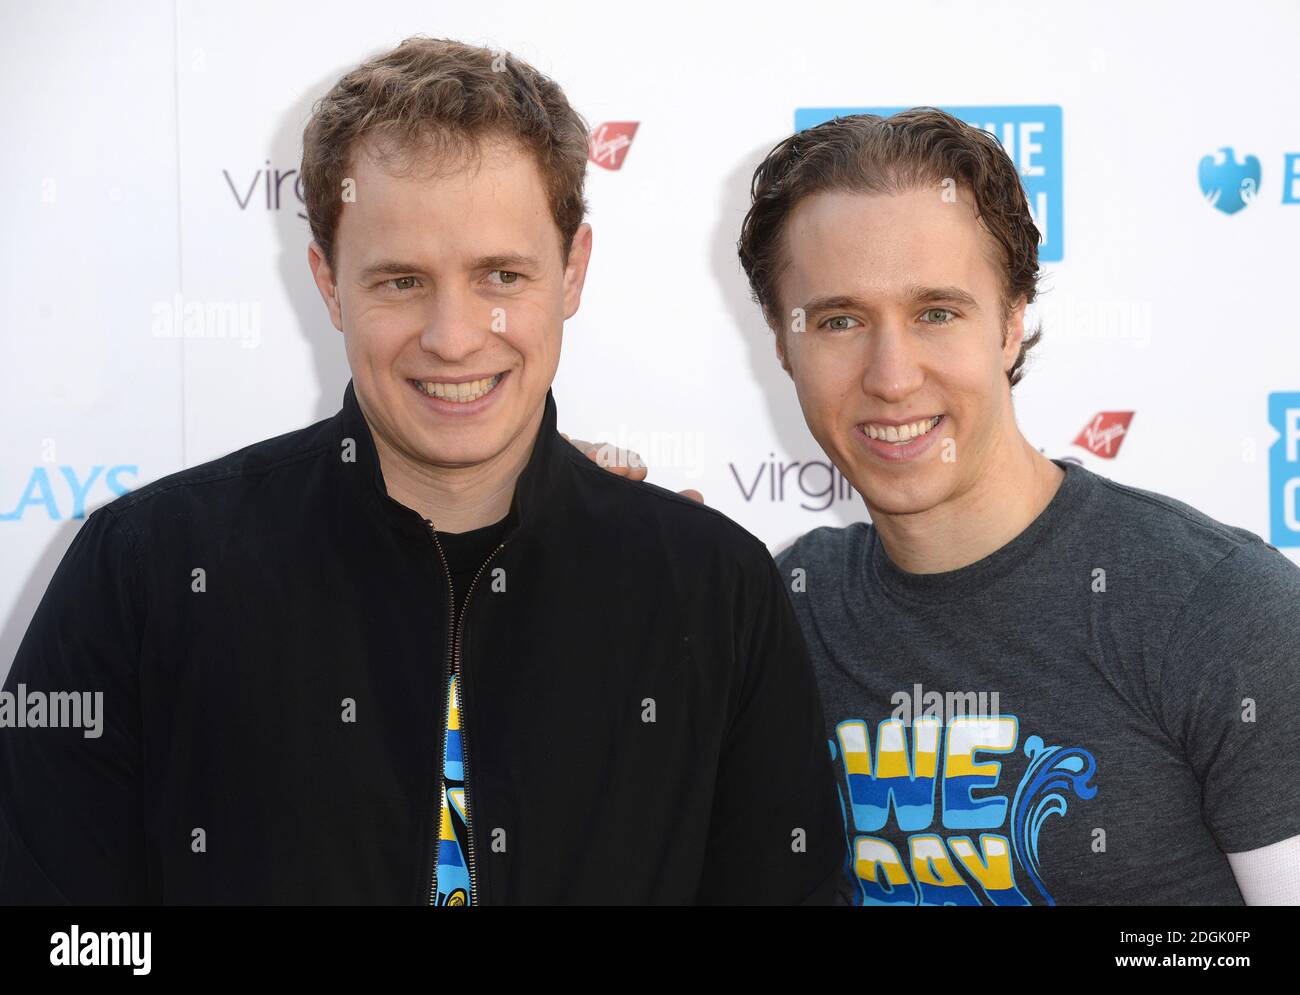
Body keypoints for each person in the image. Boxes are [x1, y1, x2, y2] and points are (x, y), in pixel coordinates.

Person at [0, 37, 847, 905]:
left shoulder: (716, 591)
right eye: (402, 281)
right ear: (328, 285)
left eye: (501, 274)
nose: (453, 335)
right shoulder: (143, 573)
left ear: (573, 271)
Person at [589, 108, 1300, 905]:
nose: (892, 376)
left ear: (1011, 321)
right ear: (783, 344)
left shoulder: (1220, 608)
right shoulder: (780, 614)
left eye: (936, 312)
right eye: (840, 320)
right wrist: (555, 541)